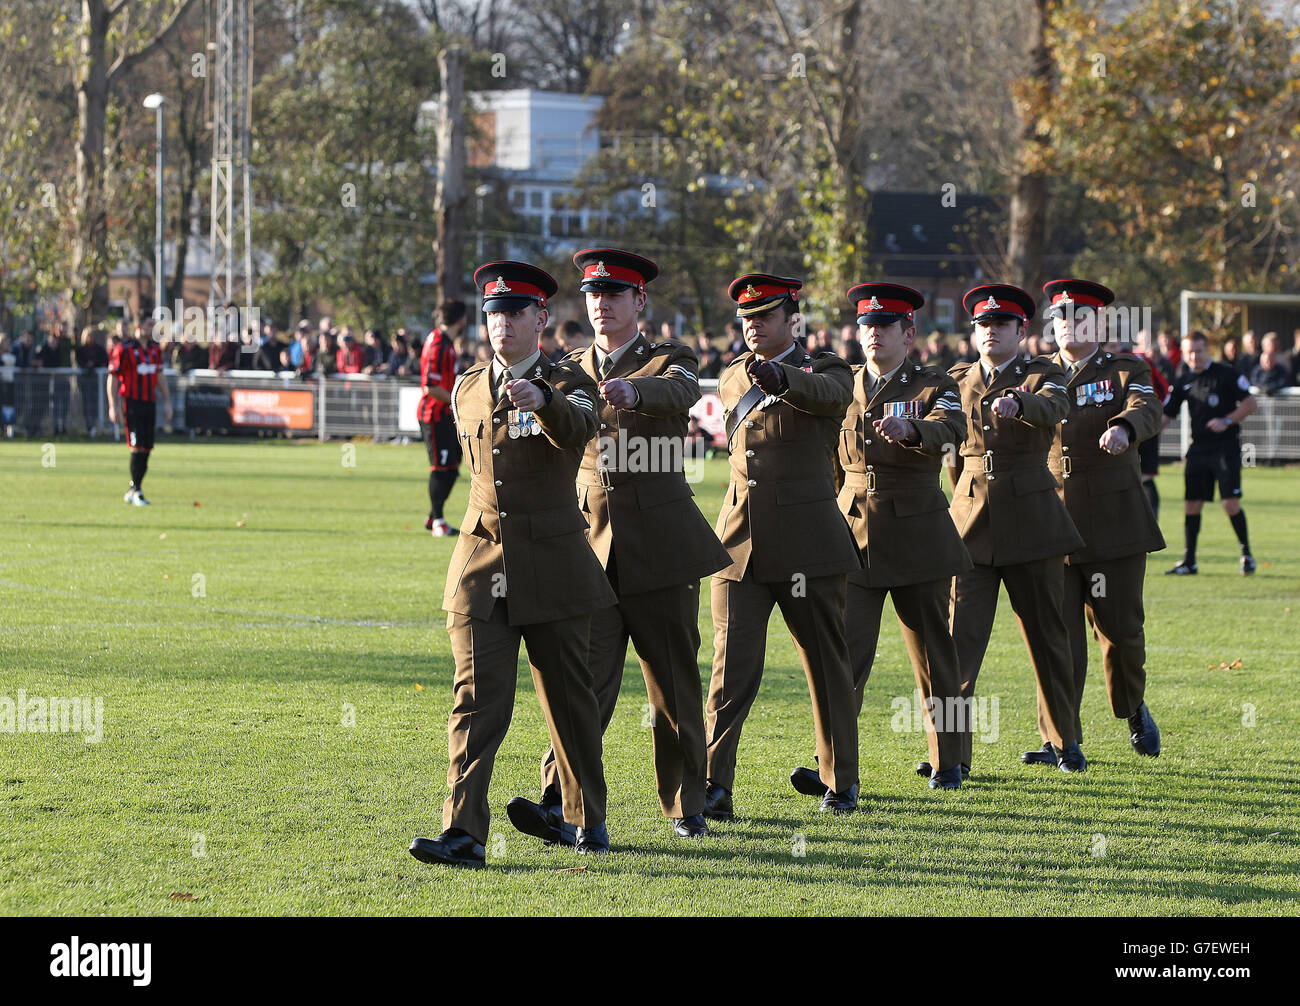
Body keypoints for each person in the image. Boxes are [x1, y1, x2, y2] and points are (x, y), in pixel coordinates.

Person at [506, 248, 731, 844]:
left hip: (661, 546)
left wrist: (632, 393)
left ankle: (686, 803)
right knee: (580, 684)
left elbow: (682, 392)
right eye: (593, 295)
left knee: (673, 684)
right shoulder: (565, 367)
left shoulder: (669, 358)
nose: (601, 305)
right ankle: (560, 800)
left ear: (640, 302)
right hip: (589, 546)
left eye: (614, 295)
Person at [409, 261, 615, 868]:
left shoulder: (570, 378)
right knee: (476, 699)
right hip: (481, 557)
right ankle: (463, 832)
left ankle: (583, 817)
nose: (501, 323)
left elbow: (580, 426)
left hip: (553, 556)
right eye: (493, 313)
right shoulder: (468, 384)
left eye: (515, 313)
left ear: (541, 319)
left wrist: (544, 400)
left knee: (569, 701)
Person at [794, 282, 971, 793]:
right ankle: (833, 768)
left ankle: (949, 760)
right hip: (852, 534)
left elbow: (951, 426)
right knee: (843, 655)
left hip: (917, 531)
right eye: (866, 326)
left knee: (935, 655)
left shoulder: (932, 382)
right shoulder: (840, 384)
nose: (872, 335)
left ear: (908, 333)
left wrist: (916, 433)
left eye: (884, 327)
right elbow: (826, 457)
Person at [703, 273, 861, 817]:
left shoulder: (826, 368)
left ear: (792, 318)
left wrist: (782, 377)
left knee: (825, 667)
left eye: (764, 316)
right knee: (730, 670)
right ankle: (713, 785)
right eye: (746, 318)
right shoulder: (729, 379)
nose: (752, 326)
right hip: (740, 541)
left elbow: (831, 397)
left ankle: (840, 781)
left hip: (808, 544)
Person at [946, 284, 1087, 774]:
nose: (991, 332)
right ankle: (950, 758)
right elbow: (952, 456)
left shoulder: (1043, 373)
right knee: (957, 648)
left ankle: (1065, 743)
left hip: (1032, 525)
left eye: (1001, 324)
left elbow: (1056, 407)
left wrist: (1021, 406)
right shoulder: (956, 380)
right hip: (971, 528)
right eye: (983, 325)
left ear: (1021, 330)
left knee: (1049, 639)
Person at [1041, 279, 1164, 764]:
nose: (1068, 325)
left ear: (1100, 323)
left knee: (1120, 633)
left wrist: (1125, 426)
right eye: (1061, 318)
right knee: (1056, 638)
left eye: (1079, 317)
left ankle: (1132, 706)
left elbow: (1148, 407)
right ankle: (1060, 737)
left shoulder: (1123, 369)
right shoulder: (1036, 375)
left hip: (1113, 522)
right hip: (1049, 522)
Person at [1164, 330, 1259, 575]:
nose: (1194, 356)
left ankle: (1246, 554)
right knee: (1192, 504)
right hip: (1198, 448)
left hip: (1225, 448)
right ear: (1183, 354)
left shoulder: (1226, 374)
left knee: (1230, 503)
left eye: (1198, 351)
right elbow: (1167, 414)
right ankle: (1189, 561)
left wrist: (1226, 420)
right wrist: (1139, 433)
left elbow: (1250, 404)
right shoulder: (1184, 380)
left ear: (1207, 350)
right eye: (1189, 352)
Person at [106, 319, 173, 505]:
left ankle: (134, 487)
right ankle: (136, 490)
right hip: (131, 402)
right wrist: (113, 405)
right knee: (136, 447)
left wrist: (167, 402)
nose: (151, 329)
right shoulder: (124, 349)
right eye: (148, 325)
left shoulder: (154, 350)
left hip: (149, 402)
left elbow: (160, 377)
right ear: (138, 327)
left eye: (153, 325)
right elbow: (112, 377)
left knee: (146, 448)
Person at [417, 300, 467, 537]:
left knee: (453, 465)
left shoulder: (446, 343)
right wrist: (455, 402)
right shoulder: (437, 343)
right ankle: (437, 520)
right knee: (440, 467)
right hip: (433, 414)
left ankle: (434, 515)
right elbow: (430, 386)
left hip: (445, 414)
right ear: (461, 320)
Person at [76, 327, 108, 436]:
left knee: (95, 403)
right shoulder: (82, 350)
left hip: (95, 382)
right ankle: (88, 426)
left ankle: (96, 425)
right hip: (85, 381)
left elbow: (104, 361)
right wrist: (87, 365)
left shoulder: (99, 349)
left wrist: (94, 363)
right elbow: (80, 362)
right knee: (86, 404)